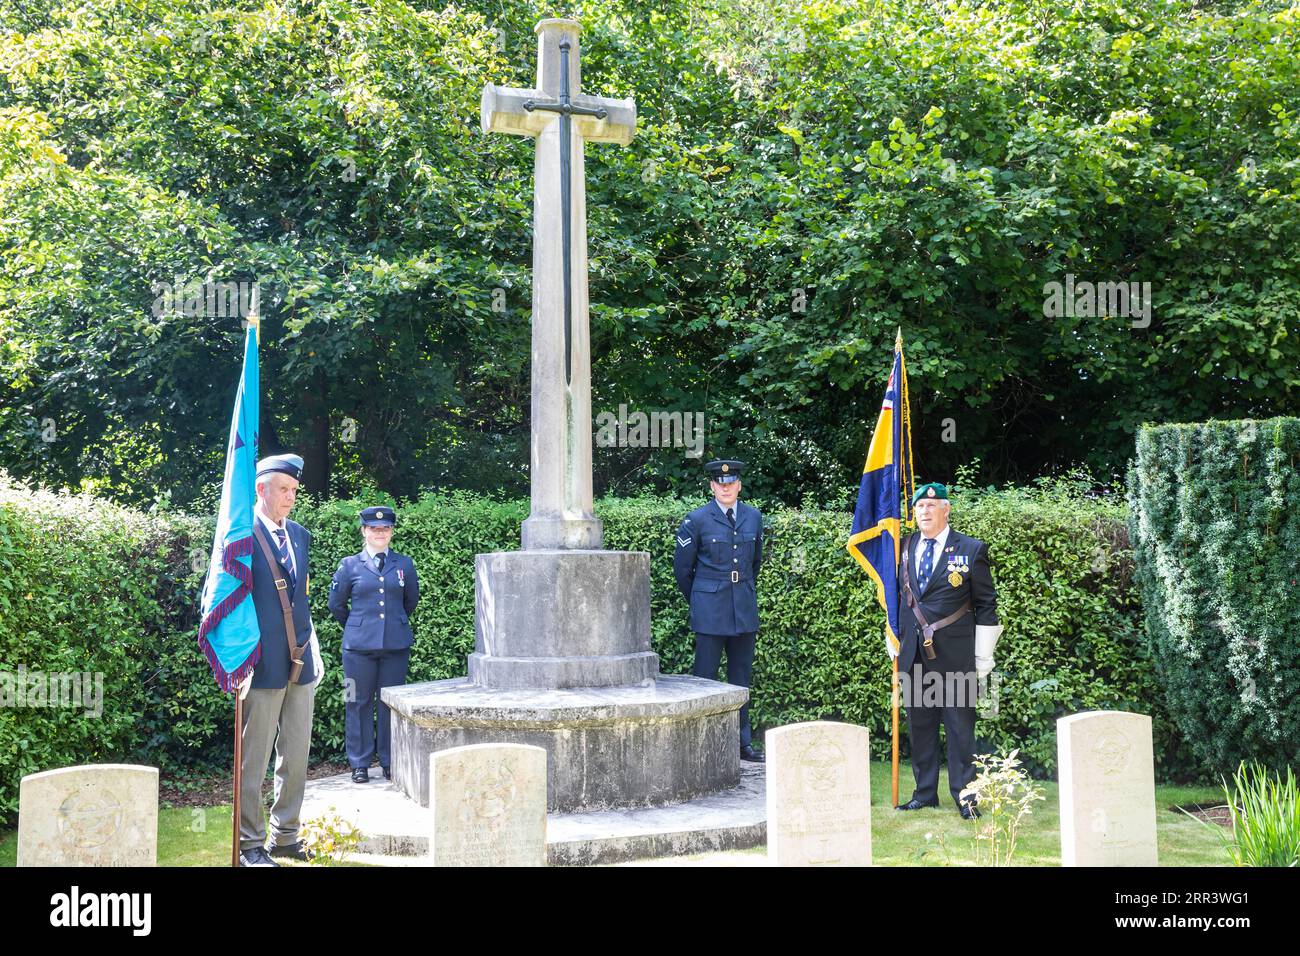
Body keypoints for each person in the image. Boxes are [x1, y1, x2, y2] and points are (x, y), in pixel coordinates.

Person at [892, 482, 1002, 819]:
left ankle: (966, 798)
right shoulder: (903, 547)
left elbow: (986, 605)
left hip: (956, 656)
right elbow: (895, 596)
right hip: (913, 655)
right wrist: (893, 637)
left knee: (959, 730)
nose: (923, 512)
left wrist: (984, 656)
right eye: (918, 508)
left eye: (931, 506)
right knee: (921, 728)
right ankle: (925, 793)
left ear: (946, 509)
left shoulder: (971, 549)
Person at [239, 453, 324, 867]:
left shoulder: (302, 535)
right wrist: (237, 660)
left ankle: (285, 836)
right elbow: (226, 603)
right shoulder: (240, 535)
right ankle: (249, 842)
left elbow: (300, 600)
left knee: (296, 752)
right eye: (284, 490)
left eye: (294, 490)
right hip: (259, 665)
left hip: (300, 660)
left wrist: (316, 648)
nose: (291, 497)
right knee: (253, 757)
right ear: (261, 489)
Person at [673, 458, 766, 762]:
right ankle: (703, 745)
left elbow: (755, 563)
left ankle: (742, 743)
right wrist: (702, 598)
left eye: (731, 483)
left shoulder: (754, 517)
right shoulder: (696, 519)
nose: (726, 488)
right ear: (712, 486)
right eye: (720, 484)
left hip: (743, 608)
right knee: (705, 679)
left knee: (741, 678)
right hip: (710, 610)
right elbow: (683, 571)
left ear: (739, 485)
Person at [328, 506, 420, 783]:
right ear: (364, 531)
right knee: (355, 701)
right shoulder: (349, 565)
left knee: (390, 704)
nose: (380, 533)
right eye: (374, 528)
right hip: (357, 650)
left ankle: (390, 760)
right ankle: (359, 763)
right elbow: (336, 604)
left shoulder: (404, 564)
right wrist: (359, 626)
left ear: (391, 532)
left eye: (385, 528)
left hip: (395, 646)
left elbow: (410, 601)